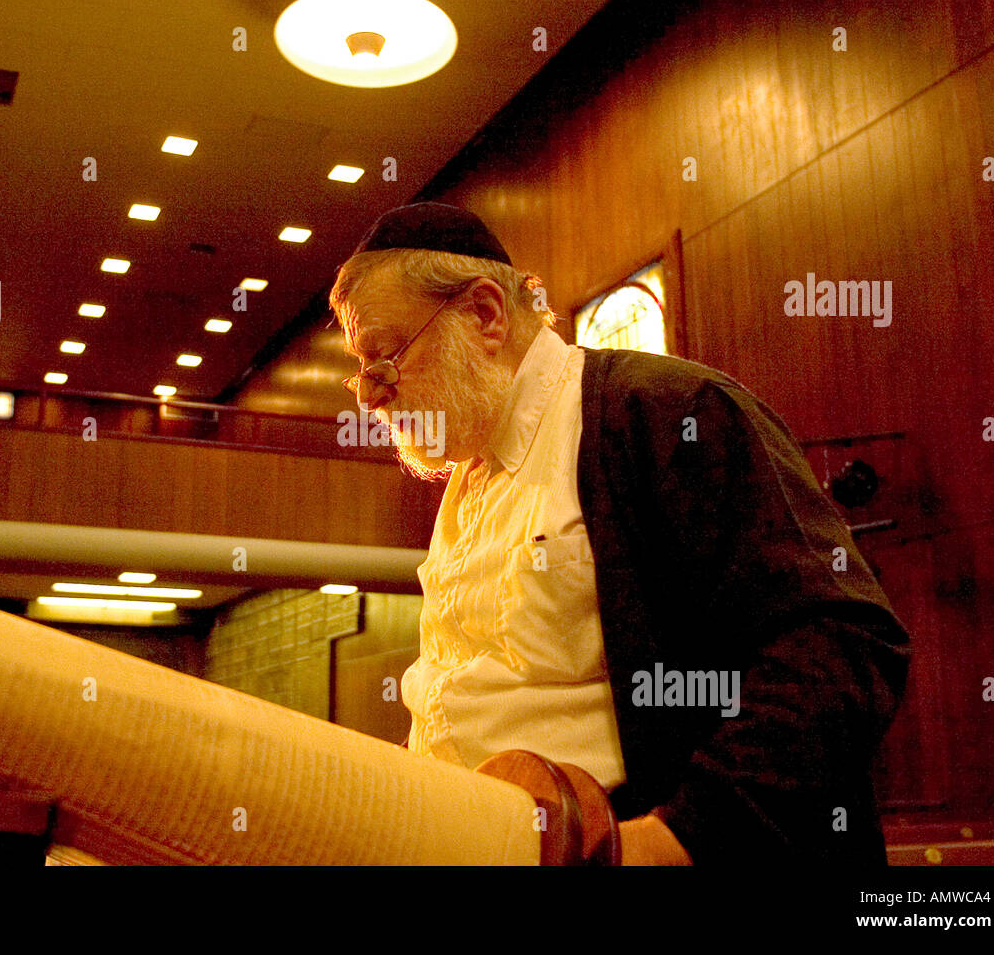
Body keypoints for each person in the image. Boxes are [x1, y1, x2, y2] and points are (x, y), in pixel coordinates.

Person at [329, 202, 911, 865]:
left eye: (386, 358)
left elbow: (842, 645)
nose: (370, 397)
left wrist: (675, 839)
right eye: (362, 372)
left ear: (485, 314)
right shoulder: (466, 481)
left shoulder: (669, 412)